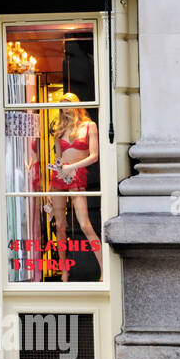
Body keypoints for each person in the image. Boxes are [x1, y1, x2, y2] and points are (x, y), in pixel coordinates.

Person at [50, 93, 104, 282]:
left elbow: (94, 156)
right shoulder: (59, 130)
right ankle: (64, 271)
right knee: (60, 225)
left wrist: (71, 167)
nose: (65, 108)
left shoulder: (89, 126)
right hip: (59, 177)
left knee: (84, 224)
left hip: (76, 175)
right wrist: (51, 186)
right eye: (62, 105)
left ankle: (104, 268)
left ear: (76, 104)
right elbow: (58, 159)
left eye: (67, 104)